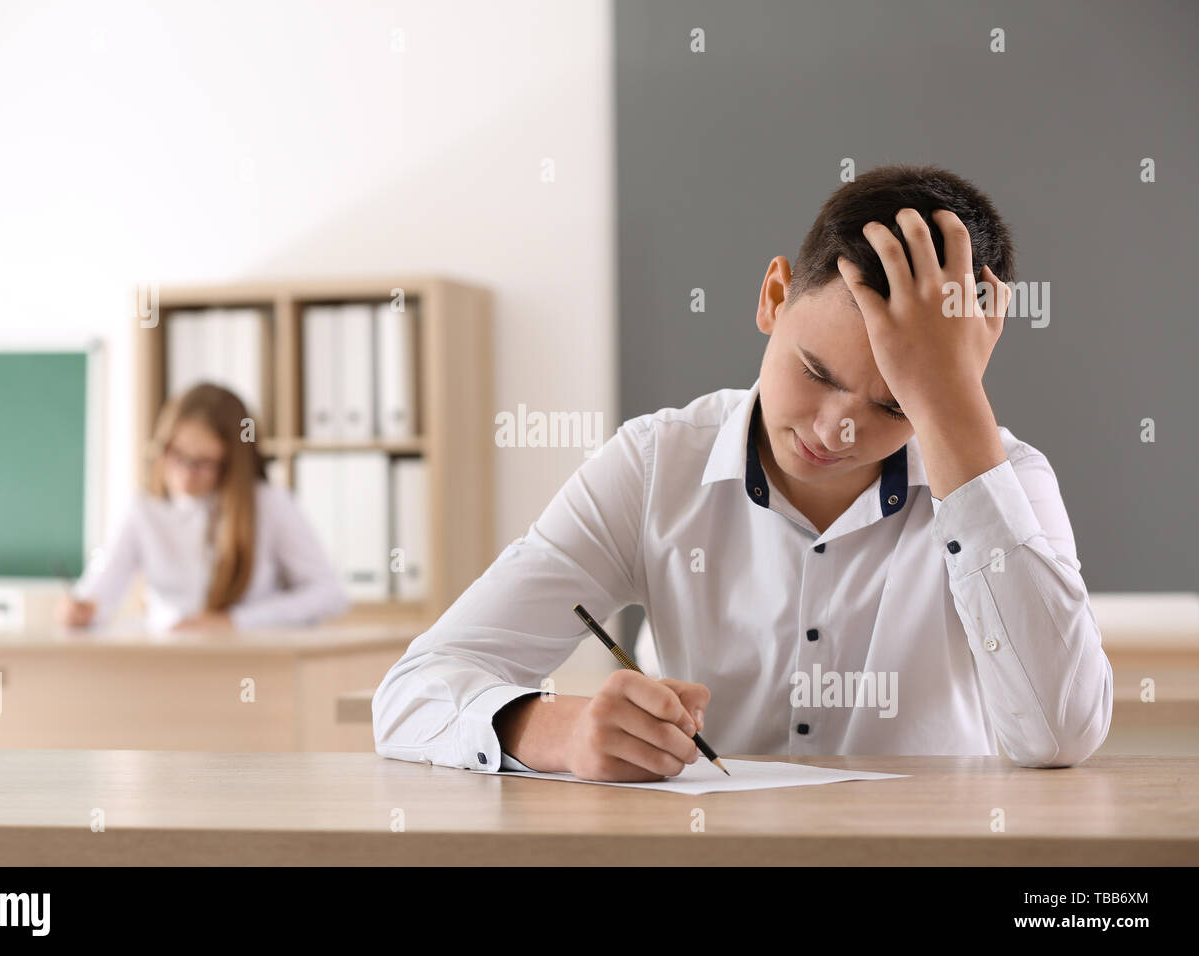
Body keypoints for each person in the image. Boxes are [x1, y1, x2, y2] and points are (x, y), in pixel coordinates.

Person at [372, 164, 1113, 782]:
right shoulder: (656, 463)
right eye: (816, 371)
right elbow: (411, 693)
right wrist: (558, 730)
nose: (834, 429)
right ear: (774, 295)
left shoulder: (1007, 478)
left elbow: (1058, 734)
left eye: (894, 404)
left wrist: (952, 413)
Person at [57, 383, 349, 631]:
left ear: (232, 464)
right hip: (171, 662)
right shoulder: (142, 509)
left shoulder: (270, 504)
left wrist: (234, 621)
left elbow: (330, 594)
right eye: (177, 454)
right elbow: (99, 594)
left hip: (252, 664)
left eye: (202, 463)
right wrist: (81, 610)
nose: (184, 473)